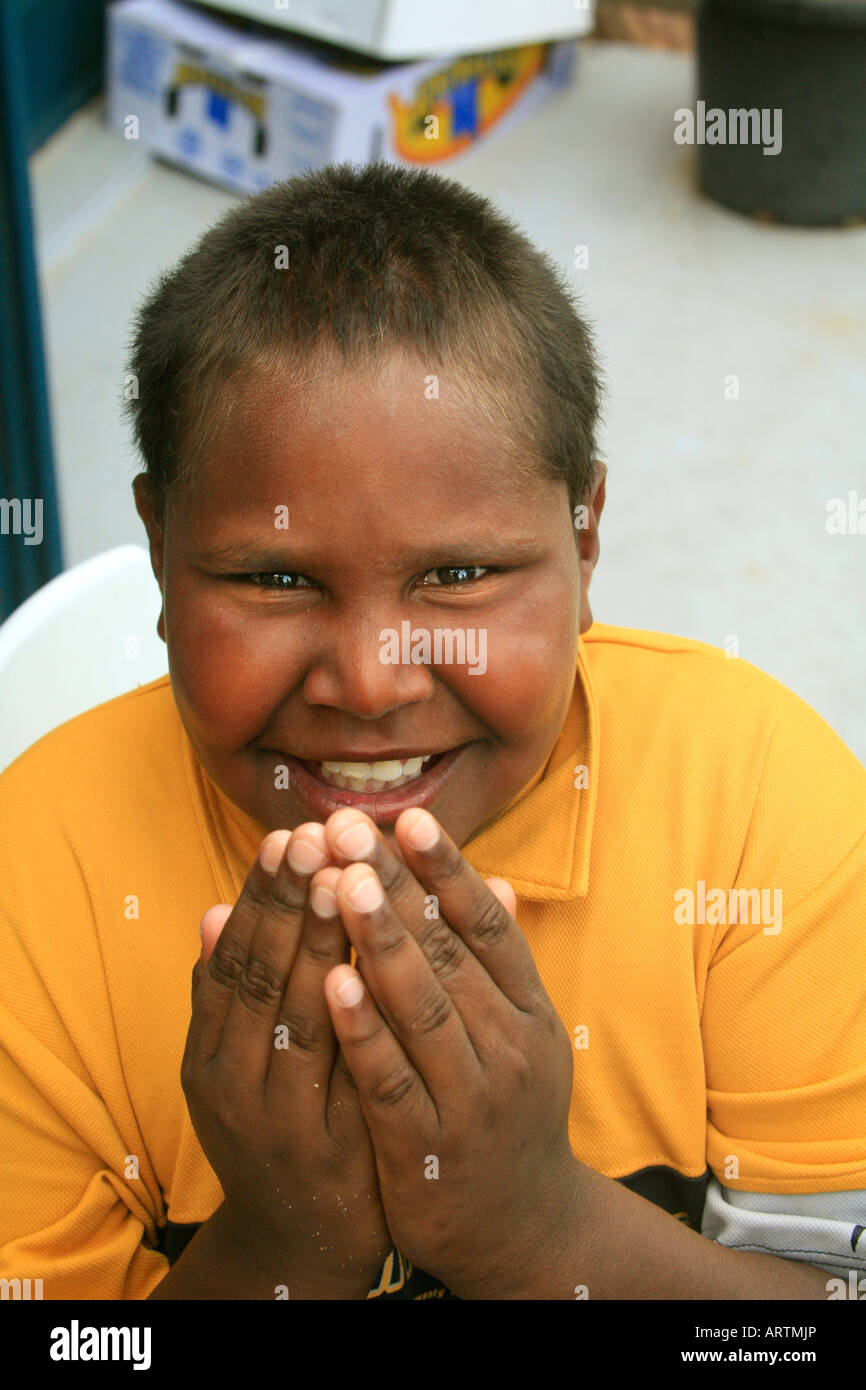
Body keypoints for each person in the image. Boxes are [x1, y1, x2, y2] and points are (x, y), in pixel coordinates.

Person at [1, 162, 864, 1301]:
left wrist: (536, 1228)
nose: (368, 683)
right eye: (272, 577)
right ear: (161, 549)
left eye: (457, 575)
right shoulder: (34, 886)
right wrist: (283, 1246)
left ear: (584, 536)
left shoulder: (755, 808)